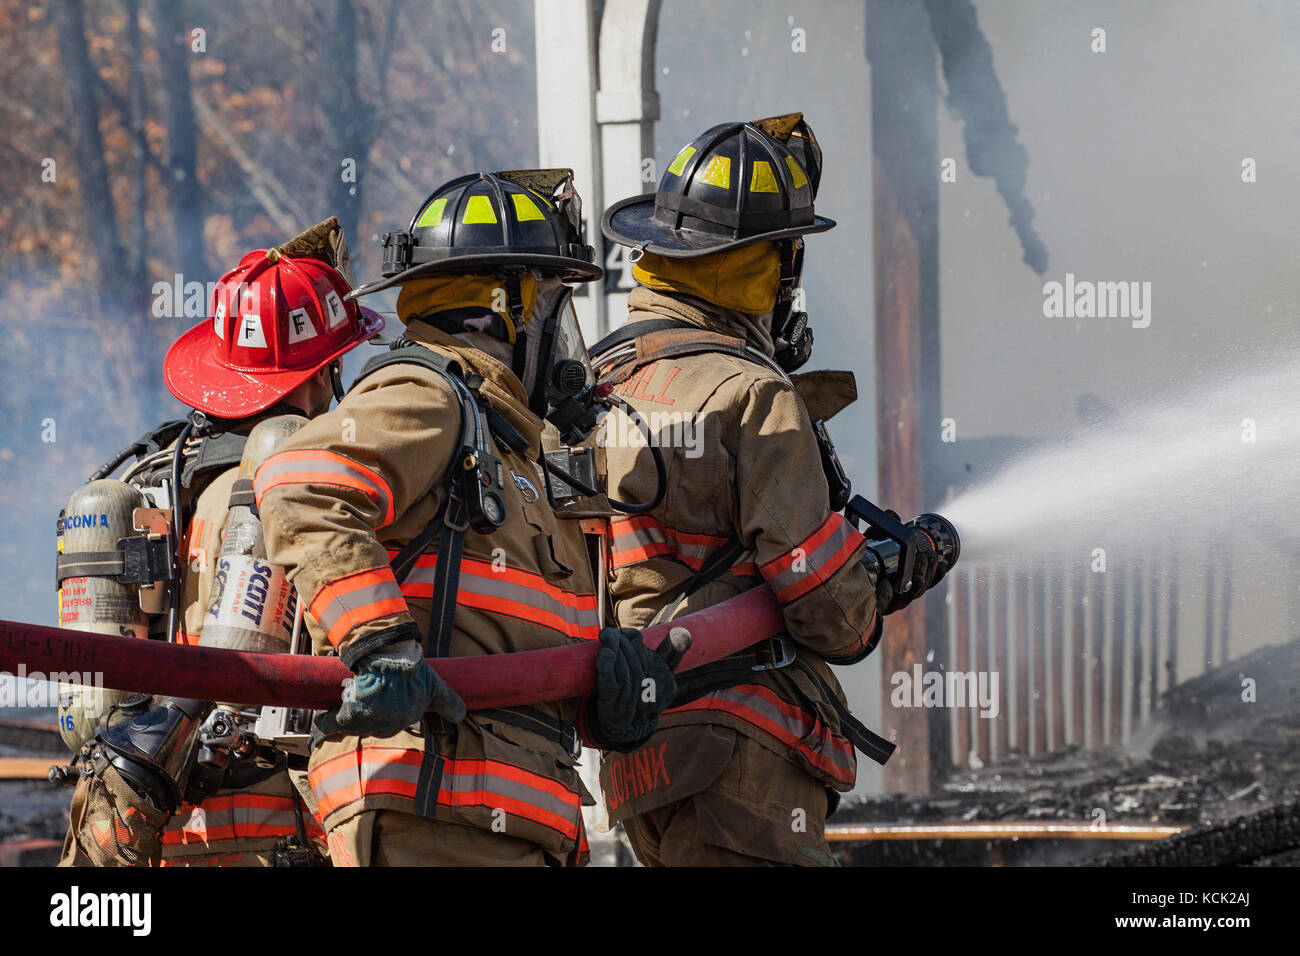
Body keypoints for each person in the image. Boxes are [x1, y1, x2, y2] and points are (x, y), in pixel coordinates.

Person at [255, 169, 685, 866]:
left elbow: (499, 644)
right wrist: (378, 643)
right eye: (553, 306)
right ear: (507, 308)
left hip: (507, 828)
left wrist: (605, 697)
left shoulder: (516, 450)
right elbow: (302, 484)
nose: (563, 338)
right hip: (427, 810)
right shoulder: (430, 394)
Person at [591, 114, 945, 866]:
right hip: (741, 747)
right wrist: (879, 579)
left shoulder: (596, 382)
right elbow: (829, 616)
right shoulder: (751, 395)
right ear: (768, 265)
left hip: (641, 763)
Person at [59, 219, 380, 866]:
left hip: (164, 831)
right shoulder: (314, 483)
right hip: (285, 833)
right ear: (320, 375)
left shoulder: (151, 484)